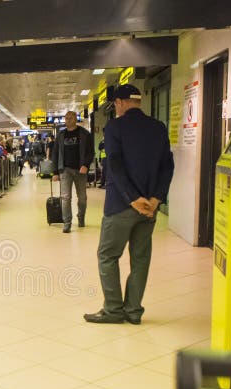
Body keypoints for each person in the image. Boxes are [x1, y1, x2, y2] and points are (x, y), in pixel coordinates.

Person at [84, 84, 174, 325]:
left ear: (121, 103)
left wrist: (133, 198)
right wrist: (156, 198)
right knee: (141, 258)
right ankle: (133, 311)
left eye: (115, 104)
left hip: (120, 206)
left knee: (107, 255)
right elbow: (168, 166)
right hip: (149, 209)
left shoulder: (115, 127)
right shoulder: (158, 127)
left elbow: (114, 163)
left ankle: (113, 310)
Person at [51, 111, 94, 232]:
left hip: (80, 170)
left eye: (71, 118)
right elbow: (55, 154)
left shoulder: (85, 134)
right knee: (65, 197)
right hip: (65, 170)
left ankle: (81, 217)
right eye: (66, 118)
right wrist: (55, 172)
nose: (68, 120)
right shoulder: (60, 135)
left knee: (82, 198)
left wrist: (86, 165)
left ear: (76, 119)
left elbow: (90, 152)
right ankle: (67, 222)